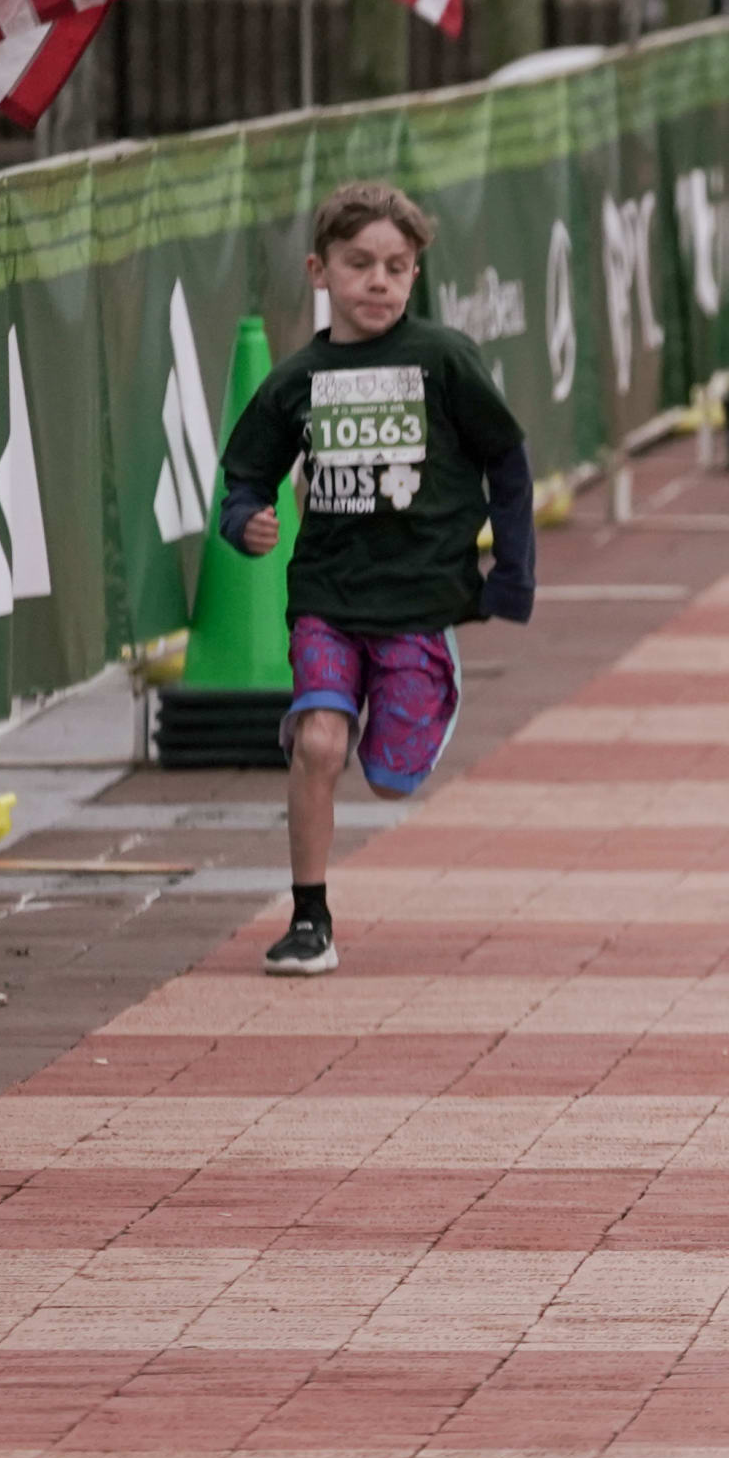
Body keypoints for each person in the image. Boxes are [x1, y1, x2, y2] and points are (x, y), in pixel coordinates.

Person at [217, 181, 536, 978]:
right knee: (319, 742)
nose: (379, 283)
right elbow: (246, 477)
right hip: (325, 597)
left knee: (392, 781)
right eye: (360, 265)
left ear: (416, 274)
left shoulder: (444, 360)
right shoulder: (297, 380)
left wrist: (512, 574)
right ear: (319, 270)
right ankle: (309, 919)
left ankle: (427, 689)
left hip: (418, 601)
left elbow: (507, 458)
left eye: (397, 267)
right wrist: (245, 523)